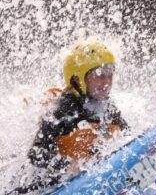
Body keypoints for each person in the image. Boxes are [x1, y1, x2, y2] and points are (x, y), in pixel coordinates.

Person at [28, 39, 129, 185]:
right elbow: (35, 154)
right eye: (100, 75)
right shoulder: (61, 112)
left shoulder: (107, 107)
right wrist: (66, 164)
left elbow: (128, 137)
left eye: (110, 75)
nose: (106, 82)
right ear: (77, 79)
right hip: (59, 186)